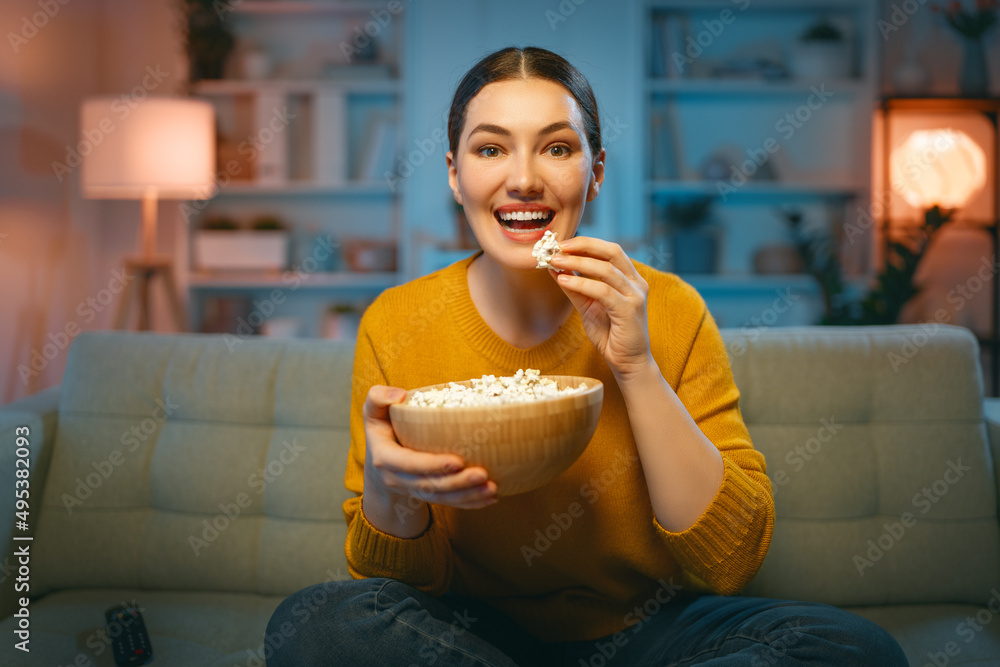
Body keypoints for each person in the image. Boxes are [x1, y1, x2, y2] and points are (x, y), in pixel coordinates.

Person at [266, 46, 908, 666]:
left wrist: (637, 367)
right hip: (467, 637)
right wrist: (388, 484)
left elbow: (729, 564)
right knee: (318, 626)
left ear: (595, 172)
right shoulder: (397, 320)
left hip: (648, 631)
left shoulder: (671, 307)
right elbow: (393, 580)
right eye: (490, 149)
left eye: (557, 148)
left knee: (857, 650)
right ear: (455, 175)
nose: (523, 179)